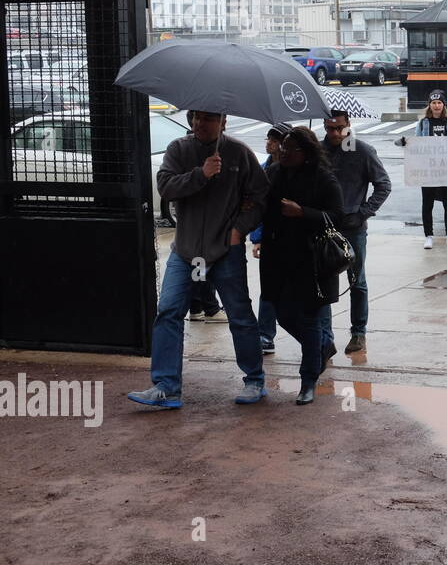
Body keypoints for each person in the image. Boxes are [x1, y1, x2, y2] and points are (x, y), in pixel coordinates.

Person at [127, 110, 269, 409]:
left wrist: (238, 231)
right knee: (168, 312)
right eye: (195, 118)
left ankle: (254, 379)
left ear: (223, 121)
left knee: (240, 316)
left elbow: (259, 198)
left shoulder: (240, 154)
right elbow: (165, 187)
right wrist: (201, 174)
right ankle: (166, 387)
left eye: (207, 118)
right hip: (185, 250)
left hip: (225, 251)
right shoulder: (179, 149)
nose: (199, 124)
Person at [258, 126, 345, 406]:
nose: (283, 153)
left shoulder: (323, 178)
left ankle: (308, 381)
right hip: (276, 256)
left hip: (310, 259)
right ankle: (322, 346)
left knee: (308, 319)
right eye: (282, 148)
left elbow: (336, 217)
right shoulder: (272, 173)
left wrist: (302, 212)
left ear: (305, 153)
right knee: (282, 314)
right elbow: (260, 206)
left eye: (290, 149)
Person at [322, 110, 391, 355]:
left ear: (348, 125)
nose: (334, 133)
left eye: (338, 128)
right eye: (329, 128)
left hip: (353, 227)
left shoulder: (362, 150)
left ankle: (358, 331)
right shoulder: (318, 151)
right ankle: (325, 336)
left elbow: (383, 184)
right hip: (324, 225)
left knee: (356, 281)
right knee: (322, 281)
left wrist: (363, 213)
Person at [398, 92, 447, 249]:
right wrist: (404, 142)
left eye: (439, 103)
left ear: (444, 105)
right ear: (429, 105)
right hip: (428, 168)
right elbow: (416, 142)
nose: (436, 105)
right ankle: (428, 236)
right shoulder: (423, 123)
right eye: (434, 103)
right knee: (427, 203)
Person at [250, 122, 292, 354]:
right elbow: (256, 207)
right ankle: (265, 334)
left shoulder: (296, 172)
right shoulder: (264, 169)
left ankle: (318, 336)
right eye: (267, 138)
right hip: (271, 237)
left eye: (273, 140)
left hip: (293, 238)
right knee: (268, 289)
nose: (268, 143)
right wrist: (257, 238)